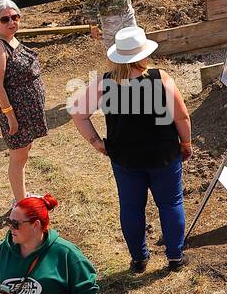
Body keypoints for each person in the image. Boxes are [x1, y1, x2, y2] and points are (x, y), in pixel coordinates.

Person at [72, 27, 192, 273]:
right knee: (170, 203)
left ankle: (139, 259)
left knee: (131, 207)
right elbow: (182, 116)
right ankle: (175, 257)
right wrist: (186, 143)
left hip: (125, 158)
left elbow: (78, 113)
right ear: (143, 54)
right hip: (164, 155)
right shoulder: (162, 79)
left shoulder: (104, 83)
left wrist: (97, 143)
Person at [0, 0, 47, 204]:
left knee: (23, 153)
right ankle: (20, 202)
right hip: (15, 111)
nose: (11, 22)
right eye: (5, 19)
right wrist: (10, 116)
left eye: (15, 17)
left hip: (25, 109)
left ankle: (21, 196)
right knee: (18, 157)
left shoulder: (9, 38)